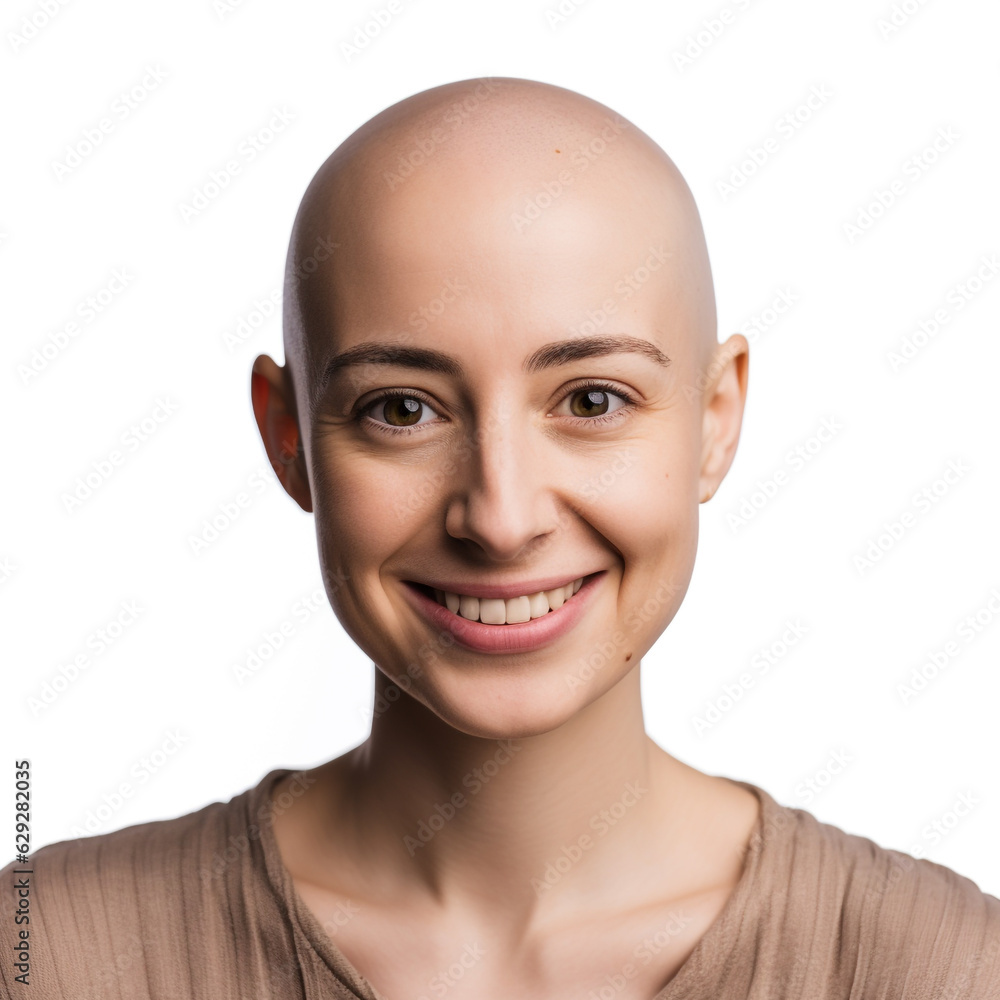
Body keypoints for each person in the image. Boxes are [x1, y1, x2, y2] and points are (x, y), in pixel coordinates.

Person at [3, 76, 998, 1000]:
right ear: (289, 436)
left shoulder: (940, 969)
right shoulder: (49, 955)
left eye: (593, 399)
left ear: (716, 417)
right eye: (401, 409)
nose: (502, 516)